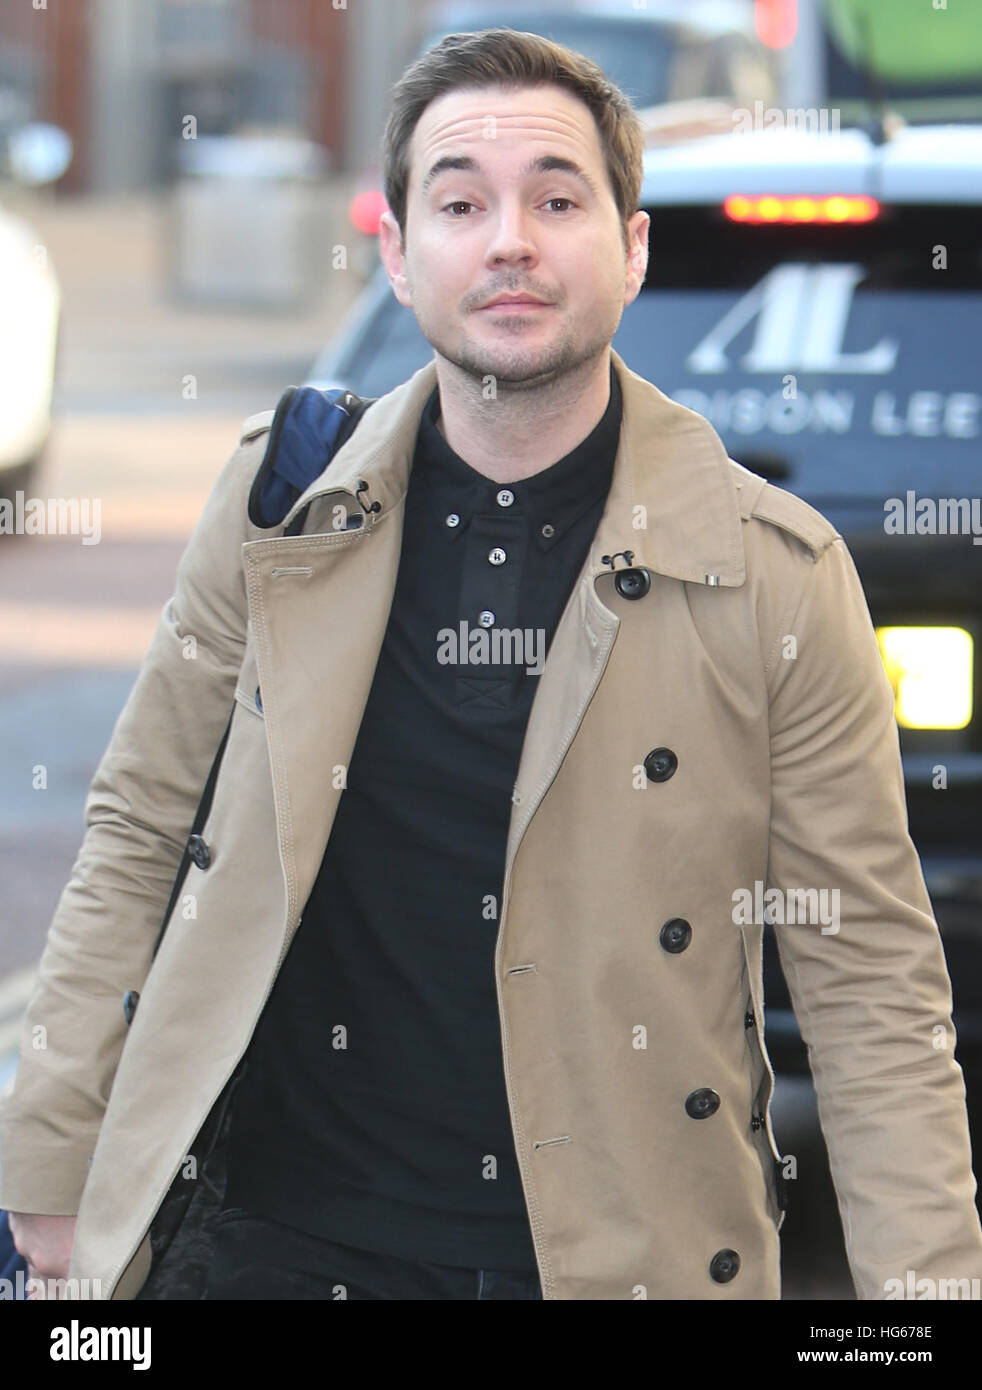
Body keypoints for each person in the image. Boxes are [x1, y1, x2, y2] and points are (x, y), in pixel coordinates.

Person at [4, 28, 981, 1302]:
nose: (509, 239)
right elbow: (138, 830)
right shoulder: (280, 502)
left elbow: (865, 976)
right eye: (460, 201)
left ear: (630, 251)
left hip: (612, 1261)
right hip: (271, 1250)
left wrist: (922, 1299)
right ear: (400, 257)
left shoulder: (777, 571)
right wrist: (50, 1162)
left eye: (558, 199)